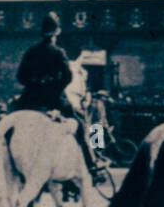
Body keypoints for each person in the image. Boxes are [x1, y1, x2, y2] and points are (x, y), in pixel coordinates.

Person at [14, 13, 106, 184]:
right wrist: (50, 86)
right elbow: (67, 78)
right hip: (52, 99)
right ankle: (92, 165)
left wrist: (35, 83)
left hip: (28, 100)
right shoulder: (58, 52)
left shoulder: (31, 51)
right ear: (58, 32)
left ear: (41, 32)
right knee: (81, 125)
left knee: (9, 122)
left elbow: (20, 77)